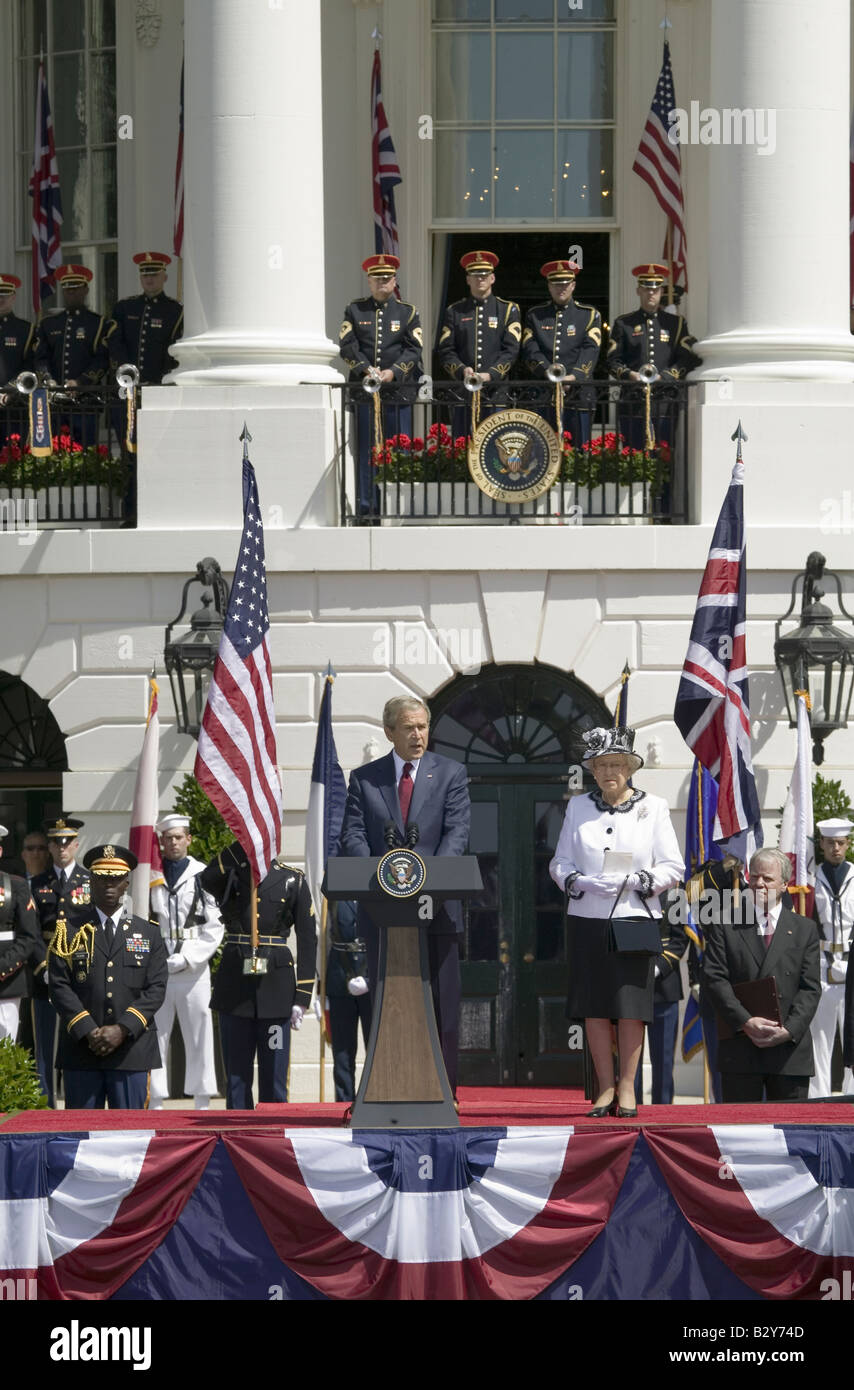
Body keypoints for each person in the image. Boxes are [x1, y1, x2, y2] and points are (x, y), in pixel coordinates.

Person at [338, 696, 471, 1092]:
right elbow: (353, 834)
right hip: (383, 913)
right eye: (409, 728)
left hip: (439, 907)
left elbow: (456, 835)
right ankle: (392, 1084)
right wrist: (385, 879)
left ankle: (444, 1090)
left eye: (423, 726)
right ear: (389, 732)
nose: (418, 735)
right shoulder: (365, 778)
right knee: (388, 1001)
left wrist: (425, 879)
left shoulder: (451, 773)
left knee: (443, 1003)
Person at [549, 726, 683, 1117]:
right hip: (587, 915)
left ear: (629, 769)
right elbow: (559, 861)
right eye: (601, 765)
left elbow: (674, 866)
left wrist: (641, 881)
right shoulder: (577, 807)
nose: (609, 771)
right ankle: (604, 1088)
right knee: (594, 1006)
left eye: (616, 765)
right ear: (592, 771)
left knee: (630, 1008)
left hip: (633, 918)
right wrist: (577, 881)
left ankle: (627, 1087)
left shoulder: (653, 807)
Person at [47, 843, 168, 1109]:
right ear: (90, 881)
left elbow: (156, 988)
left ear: (126, 883)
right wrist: (87, 1029)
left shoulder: (148, 933)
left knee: (131, 1137)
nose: (109, 885)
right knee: (79, 1138)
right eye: (101, 879)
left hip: (131, 1050)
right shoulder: (68, 930)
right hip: (82, 1049)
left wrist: (122, 1029)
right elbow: (58, 986)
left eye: (116, 879)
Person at [200, 843, 316, 1108]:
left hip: (275, 987)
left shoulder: (292, 879)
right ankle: (237, 1135)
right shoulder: (232, 874)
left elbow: (309, 940)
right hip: (235, 987)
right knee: (237, 1079)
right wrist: (239, 846)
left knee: (274, 1075)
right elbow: (207, 878)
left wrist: (303, 995)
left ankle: (273, 1136)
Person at [704, 847, 820, 1103]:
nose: (759, 883)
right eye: (754, 876)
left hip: (789, 1052)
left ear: (784, 885)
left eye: (767, 878)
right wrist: (745, 1022)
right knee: (741, 1133)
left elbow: (810, 988)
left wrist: (789, 1030)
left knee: (792, 1136)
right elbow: (714, 980)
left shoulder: (804, 929)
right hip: (741, 1048)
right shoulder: (726, 924)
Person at [338, 253, 423, 516]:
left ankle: (399, 507)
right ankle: (368, 508)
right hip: (365, 394)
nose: (382, 282)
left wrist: (393, 372)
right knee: (367, 451)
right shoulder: (354, 309)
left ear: (394, 280)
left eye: (387, 278)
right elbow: (347, 346)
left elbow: (414, 349)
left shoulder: (408, 312)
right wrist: (365, 369)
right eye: (377, 279)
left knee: (400, 449)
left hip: (398, 393)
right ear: (369, 281)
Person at [148, 814, 223, 1110]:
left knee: (200, 1031)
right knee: (155, 1033)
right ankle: (154, 1097)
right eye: (167, 838)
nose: (173, 842)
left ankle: (202, 1098)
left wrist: (190, 957)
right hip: (158, 966)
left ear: (189, 839)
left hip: (193, 967)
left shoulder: (202, 874)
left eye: (178, 837)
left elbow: (215, 925)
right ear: (161, 842)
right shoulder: (151, 875)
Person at [30, 815, 91, 1106]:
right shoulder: (36, 884)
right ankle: (46, 1101)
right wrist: (43, 965)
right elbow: (30, 930)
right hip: (47, 969)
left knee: (80, 1033)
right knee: (45, 1039)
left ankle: (77, 1098)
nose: (62, 847)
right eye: (56, 842)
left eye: (67, 842)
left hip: (81, 969)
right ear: (50, 847)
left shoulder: (89, 881)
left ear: (76, 844)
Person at [607, 262, 699, 451]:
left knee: (663, 459)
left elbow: (686, 358)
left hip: (665, 401)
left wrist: (664, 377)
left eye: (655, 289)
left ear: (661, 291)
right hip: (632, 401)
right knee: (632, 458)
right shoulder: (624, 323)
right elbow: (612, 361)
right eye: (646, 289)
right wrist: (630, 375)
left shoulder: (676, 323)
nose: (651, 293)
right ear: (638, 291)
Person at [522, 259, 602, 447]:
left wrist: (575, 377)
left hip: (579, 394)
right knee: (542, 451)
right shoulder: (535, 315)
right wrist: (547, 372)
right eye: (556, 284)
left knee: (580, 450)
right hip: (543, 394)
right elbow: (530, 349)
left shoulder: (589, 314)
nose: (561, 288)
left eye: (565, 284)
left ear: (573, 285)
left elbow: (591, 348)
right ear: (549, 286)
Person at [33, 265, 109, 447]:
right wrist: (49, 381)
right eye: (67, 289)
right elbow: (40, 358)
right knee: (55, 454)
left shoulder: (98, 323)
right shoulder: (49, 324)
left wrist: (80, 382)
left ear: (85, 290)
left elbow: (102, 359)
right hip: (55, 402)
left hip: (85, 403)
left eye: (75, 288)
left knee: (87, 455)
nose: (71, 293)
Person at [808, 817, 854, 1097]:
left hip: (851, 959)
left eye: (840, 842)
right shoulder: (811, 879)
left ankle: (852, 1092)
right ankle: (819, 1096)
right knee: (819, 1036)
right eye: (830, 843)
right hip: (823, 961)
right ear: (822, 844)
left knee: (852, 1034)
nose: (835, 848)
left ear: (847, 844)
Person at [634, 888, 689, 1105]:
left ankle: (663, 1110)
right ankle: (631, 1106)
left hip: (664, 986)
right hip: (632, 985)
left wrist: (656, 969)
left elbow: (680, 940)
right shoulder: (627, 891)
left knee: (664, 1060)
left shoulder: (676, 896)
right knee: (630, 1059)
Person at [106, 251, 183, 385]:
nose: (149, 279)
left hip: (158, 383)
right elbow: (115, 343)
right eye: (145, 274)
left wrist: (162, 379)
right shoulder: (124, 307)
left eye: (154, 274)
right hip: (126, 382)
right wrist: (127, 372)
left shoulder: (175, 310)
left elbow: (174, 348)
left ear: (165, 277)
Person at [326, 898, 371, 1102]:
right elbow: (325, 940)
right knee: (342, 1051)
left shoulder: (377, 893)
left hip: (371, 976)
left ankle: (373, 1098)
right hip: (339, 977)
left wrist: (371, 978)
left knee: (375, 1047)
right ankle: (344, 1102)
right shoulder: (335, 894)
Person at [0, 825, 42, 1043]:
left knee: (4, 1049)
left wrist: (1, 968)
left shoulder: (15, 886)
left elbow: (28, 937)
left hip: (5, 983)